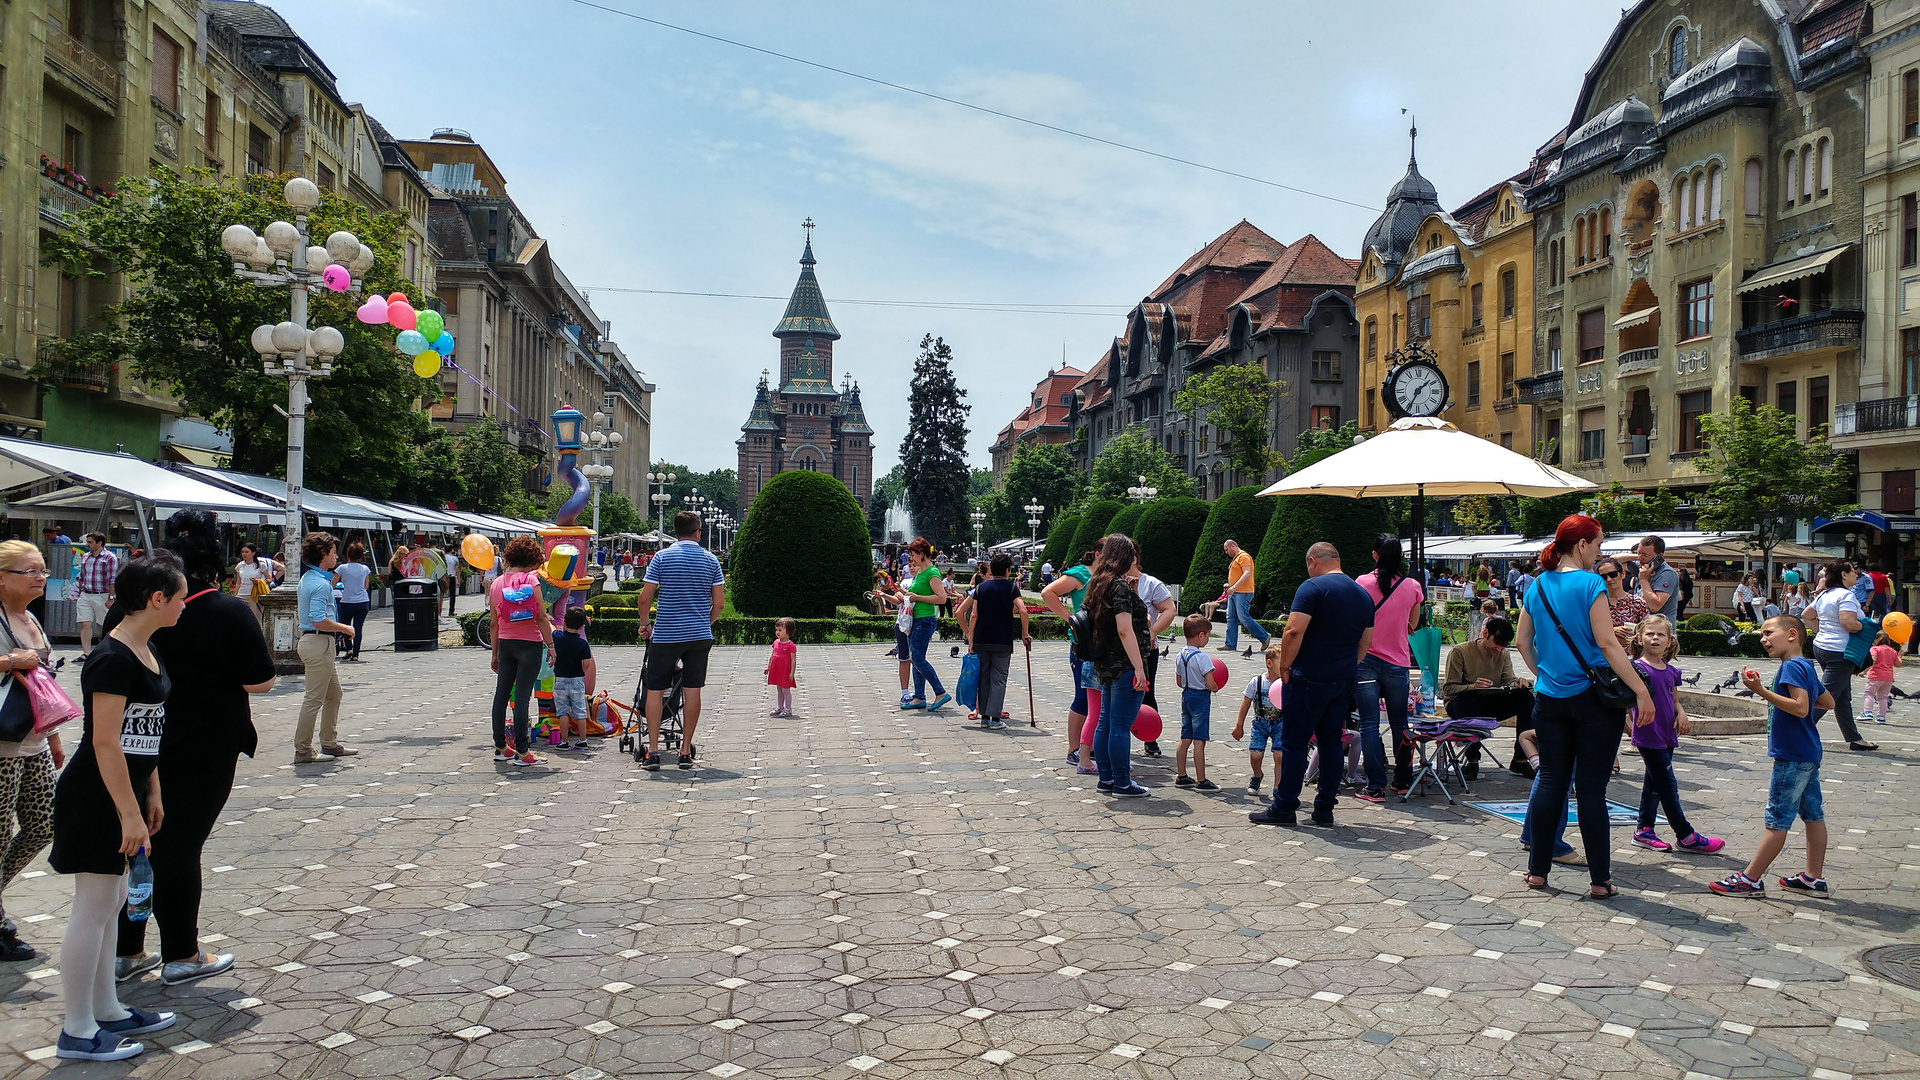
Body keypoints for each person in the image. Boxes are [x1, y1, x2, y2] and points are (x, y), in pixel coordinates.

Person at [110, 510, 272, 988]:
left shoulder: (128, 611)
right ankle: (182, 952)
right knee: (179, 848)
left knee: (137, 847)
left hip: (136, 744)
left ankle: (127, 949)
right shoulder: (225, 609)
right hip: (204, 746)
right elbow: (260, 679)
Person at [49, 556, 187, 1061]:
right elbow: (105, 742)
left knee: (112, 903)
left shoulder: (145, 648)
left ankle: (107, 1009)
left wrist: (152, 792)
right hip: (96, 796)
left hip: (125, 792)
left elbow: (144, 735)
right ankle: (77, 1029)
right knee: (93, 907)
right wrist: (128, 812)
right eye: (179, 597)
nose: (184, 605)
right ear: (156, 599)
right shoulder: (112, 657)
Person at [1515, 514, 1653, 898]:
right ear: (1581, 545)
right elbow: (1607, 643)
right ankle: (1600, 881)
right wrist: (1641, 691)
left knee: (1551, 783)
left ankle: (1537, 872)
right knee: (1591, 791)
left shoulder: (1538, 584)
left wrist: (1544, 674)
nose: (1600, 552)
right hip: (1593, 701)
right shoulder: (1591, 583)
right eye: (1598, 544)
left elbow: (1523, 642)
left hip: (1549, 699)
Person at [1249, 542, 1375, 828]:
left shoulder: (1313, 587)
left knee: (1294, 742)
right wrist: (1346, 666)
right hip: (1343, 679)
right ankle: (1325, 808)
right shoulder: (1363, 595)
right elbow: (1365, 643)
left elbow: (1293, 630)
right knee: (1331, 741)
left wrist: (1285, 666)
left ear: (1313, 561)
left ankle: (1284, 806)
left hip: (1309, 676)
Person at [1711, 615, 1835, 897]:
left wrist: (1761, 691)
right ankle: (1813, 878)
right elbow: (1827, 701)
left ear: (1792, 634)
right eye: (1761, 635)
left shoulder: (1791, 666)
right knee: (1813, 815)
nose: (1763, 639)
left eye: (1768, 632)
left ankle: (1750, 879)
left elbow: (1801, 708)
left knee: (1777, 819)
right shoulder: (1805, 665)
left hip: (1791, 755)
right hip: (1808, 752)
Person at [0, 540, 61, 962]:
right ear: (2, 578)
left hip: (33, 740)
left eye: (42, 570)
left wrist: (53, 735)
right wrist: (9, 662)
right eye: (30, 571)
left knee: (45, 824)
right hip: (2, 744)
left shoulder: (31, 618)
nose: (41, 577)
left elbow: (43, 683)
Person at [1627, 615, 1724, 855]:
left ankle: (1644, 830)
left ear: (1670, 641)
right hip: (1648, 734)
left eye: (1660, 634)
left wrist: (1681, 714)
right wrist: (1630, 726)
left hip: (1667, 733)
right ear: (1639, 638)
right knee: (1667, 785)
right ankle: (1685, 834)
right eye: (1650, 634)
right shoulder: (1634, 669)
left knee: (1654, 784)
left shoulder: (1671, 671)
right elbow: (1627, 704)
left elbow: (1675, 700)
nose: (1655, 638)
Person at [638, 511, 727, 770]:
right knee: (692, 690)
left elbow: (644, 598)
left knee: (655, 690)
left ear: (676, 531)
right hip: (698, 636)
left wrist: (645, 624)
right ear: (698, 532)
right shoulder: (710, 560)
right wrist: (705, 623)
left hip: (666, 635)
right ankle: (685, 750)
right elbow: (719, 603)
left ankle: (653, 751)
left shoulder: (662, 557)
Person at [1082, 535, 1153, 798]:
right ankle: (1122, 782)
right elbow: (1125, 630)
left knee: (1106, 723)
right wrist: (1139, 668)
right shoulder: (1118, 585)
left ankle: (1107, 778)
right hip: (1124, 664)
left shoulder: (1099, 582)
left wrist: (1133, 594)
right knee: (1120, 726)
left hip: (1105, 663)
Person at [1355, 534, 1421, 803]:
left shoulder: (1361, 583)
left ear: (1375, 555)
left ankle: (1375, 786)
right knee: (1400, 723)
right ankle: (1403, 780)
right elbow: (1413, 625)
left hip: (1366, 659)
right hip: (1397, 662)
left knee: (1369, 723)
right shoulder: (1413, 586)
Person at [1442, 616, 1535, 778]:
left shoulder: (1503, 654)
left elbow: (1508, 680)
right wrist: (1472, 686)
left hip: (1490, 700)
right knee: (1470, 702)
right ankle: (1472, 760)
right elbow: (1449, 689)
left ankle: (1520, 759)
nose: (1499, 649)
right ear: (1485, 633)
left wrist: (1518, 683)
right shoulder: (1460, 652)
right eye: (1497, 643)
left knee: (1526, 698)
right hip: (1463, 702)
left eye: (1503, 645)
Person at [489, 537, 553, 768]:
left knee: (501, 696)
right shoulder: (531, 580)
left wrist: (495, 653)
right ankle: (523, 752)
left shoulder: (496, 583)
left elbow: (493, 624)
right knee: (523, 697)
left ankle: (501, 747)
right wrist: (551, 645)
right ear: (532, 559)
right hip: (530, 644)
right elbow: (541, 616)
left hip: (506, 644)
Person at [293, 533, 357, 765]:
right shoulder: (320, 584)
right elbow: (318, 619)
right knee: (314, 698)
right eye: (333, 552)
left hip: (317, 642)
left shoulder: (309, 578)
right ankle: (303, 749)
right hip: (319, 642)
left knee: (334, 694)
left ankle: (329, 742)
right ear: (323, 553)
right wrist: (344, 628)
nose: (336, 556)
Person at [1802, 560, 1878, 752]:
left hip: (1823, 647)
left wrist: (1822, 632)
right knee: (1826, 696)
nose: (1856, 574)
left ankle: (1854, 738)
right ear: (1843, 575)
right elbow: (1849, 623)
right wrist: (1865, 627)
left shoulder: (1825, 594)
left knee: (1841, 696)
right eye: (1852, 571)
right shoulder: (1846, 595)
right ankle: (1797, 732)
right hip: (1841, 652)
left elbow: (1807, 615)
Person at [957, 553, 1028, 728]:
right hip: (1002, 640)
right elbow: (1023, 610)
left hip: (982, 639)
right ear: (1007, 570)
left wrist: (970, 638)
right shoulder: (1011, 588)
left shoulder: (980, 588)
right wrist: (1025, 633)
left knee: (984, 678)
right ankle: (995, 718)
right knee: (999, 678)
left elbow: (970, 614)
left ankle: (984, 718)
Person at [1040, 549, 1096, 769]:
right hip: (1083, 644)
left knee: (1097, 700)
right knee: (1082, 697)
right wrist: (1071, 619)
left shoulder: (1109, 575)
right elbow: (1048, 593)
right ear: (1098, 554)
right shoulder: (1081, 574)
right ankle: (1074, 748)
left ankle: (1089, 745)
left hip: (1102, 645)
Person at [893, 538, 951, 712]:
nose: (911, 558)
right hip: (916, 619)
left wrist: (917, 597)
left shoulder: (932, 572)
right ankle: (919, 697)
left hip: (925, 620)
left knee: (917, 658)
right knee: (916, 657)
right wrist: (907, 594)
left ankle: (940, 692)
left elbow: (941, 598)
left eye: (913, 554)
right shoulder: (922, 572)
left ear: (922, 554)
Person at [1172, 613, 1219, 791]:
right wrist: (1215, 687)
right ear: (1201, 635)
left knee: (1185, 737)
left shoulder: (1180, 655)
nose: (1207, 639)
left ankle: (1182, 775)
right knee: (1199, 740)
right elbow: (1210, 683)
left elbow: (1178, 681)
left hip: (1186, 695)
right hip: (1200, 698)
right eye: (1207, 635)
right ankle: (1201, 780)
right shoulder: (1202, 657)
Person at [1232, 643, 1284, 795]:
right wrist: (1239, 725)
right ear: (1269, 663)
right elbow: (1246, 702)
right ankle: (1257, 775)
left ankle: (1278, 787)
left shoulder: (1286, 683)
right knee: (1256, 755)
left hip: (1280, 723)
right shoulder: (1257, 682)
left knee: (1280, 756)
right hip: (1260, 723)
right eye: (1282, 662)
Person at [551, 608, 595, 749]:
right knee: (580, 711)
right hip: (576, 679)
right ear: (582, 627)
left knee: (562, 712)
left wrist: (548, 619)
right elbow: (586, 663)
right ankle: (582, 740)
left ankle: (564, 741)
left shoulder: (557, 637)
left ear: (564, 622)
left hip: (560, 679)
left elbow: (551, 629)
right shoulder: (582, 644)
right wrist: (582, 672)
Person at [73, 532, 118, 660]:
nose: (87, 545)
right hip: (86, 594)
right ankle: (86, 653)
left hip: (102, 594)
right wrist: (79, 593)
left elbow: (112, 579)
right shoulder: (86, 557)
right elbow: (82, 576)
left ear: (99, 543)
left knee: (103, 624)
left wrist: (111, 598)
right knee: (85, 623)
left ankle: (106, 651)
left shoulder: (109, 558)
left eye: (90, 542)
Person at [1218, 540, 1270, 653]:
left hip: (1243, 592)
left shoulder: (1243, 557)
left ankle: (1264, 637)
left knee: (1244, 618)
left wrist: (1234, 587)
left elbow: (1247, 573)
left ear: (1233, 546)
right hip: (1234, 592)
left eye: (1227, 549)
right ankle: (1230, 644)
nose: (1226, 552)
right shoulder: (1236, 558)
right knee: (1231, 618)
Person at [1597, 556, 1648, 648]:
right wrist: (1612, 631)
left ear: (1623, 574)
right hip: (1604, 654)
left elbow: (1647, 630)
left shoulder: (1638, 602)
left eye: (1613, 574)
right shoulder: (1596, 604)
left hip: (1632, 653)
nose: (1608, 579)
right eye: (1603, 577)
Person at [333, 542, 372, 662]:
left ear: (348, 554)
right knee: (358, 627)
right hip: (363, 601)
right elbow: (366, 586)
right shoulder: (365, 569)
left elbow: (332, 584)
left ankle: (349, 648)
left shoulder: (342, 568)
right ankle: (356, 654)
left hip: (347, 600)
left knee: (345, 626)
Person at [1635, 535, 1679, 622]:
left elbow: (1655, 606)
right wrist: (1639, 556)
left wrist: (1644, 580)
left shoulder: (1667, 574)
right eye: (1638, 553)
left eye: (1645, 555)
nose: (1640, 558)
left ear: (1660, 556)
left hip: (1660, 628)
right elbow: (1615, 560)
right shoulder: (1642, 566)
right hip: (1642, 626)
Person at [1863, 630, 1900, 725]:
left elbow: (1873, 660)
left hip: (1875, 675)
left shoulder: (1874, 649)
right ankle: (1881, 716)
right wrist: (1900, 656)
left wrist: (1864, 671)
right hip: (1888, 678)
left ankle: (1867, 712)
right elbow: (1897, 664)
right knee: (1883, 697)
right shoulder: (1892, 651)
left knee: (1869, 694)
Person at [232, 544, 278, 616]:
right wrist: (235, 595)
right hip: (241, 594)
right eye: (242, 552)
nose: (244, 554)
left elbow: (269, 579)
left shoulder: (261, 565)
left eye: (247, 552)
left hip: (254, 595)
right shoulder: (240, 566)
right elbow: (238, 583)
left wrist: (259, 581)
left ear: (253, 553)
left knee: (256, 616)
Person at [765, 617, 797, 718]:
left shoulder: (790, 645)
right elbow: (773, 656)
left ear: (788, 632)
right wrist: (769, 667)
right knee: (779, 689)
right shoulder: (776, 642)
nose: (777, 632)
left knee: (785, 690)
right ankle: (780, 707)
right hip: (777, 670)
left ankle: (788, 709)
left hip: (785, 671)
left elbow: (793, 659)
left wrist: (791, 673)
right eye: (776, 630)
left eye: (780, 630)